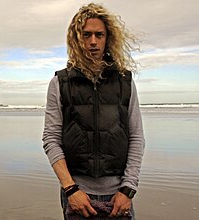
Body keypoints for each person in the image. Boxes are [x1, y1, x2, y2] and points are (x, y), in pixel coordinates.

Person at [42, 3, 145, 219]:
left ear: (108, 38)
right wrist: (71, 189)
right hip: (78, 196)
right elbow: (51, 138)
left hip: (118, 196)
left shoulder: (124, 82)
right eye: (86, 35)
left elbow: (136, 137)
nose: (93, 42)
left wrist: (128, 189)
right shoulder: (60, 83)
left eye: (99, 35)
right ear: (76, 39)